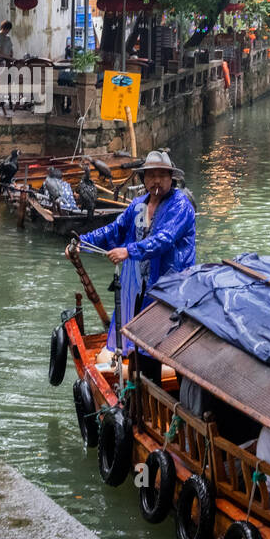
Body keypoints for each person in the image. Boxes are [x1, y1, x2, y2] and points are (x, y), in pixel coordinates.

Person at [83, 150, 197, 379]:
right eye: (151, 175)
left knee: (163, 346)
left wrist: (129, 250)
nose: (156, 180)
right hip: (139, 289)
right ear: (143, 179)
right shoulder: (138, 206)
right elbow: (114, 230)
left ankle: (166, 399)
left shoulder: (180, 206)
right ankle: (138, 396)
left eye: (162, 175)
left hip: (169, 289)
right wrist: (82, 241)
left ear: (171, 179)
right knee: (138, 345)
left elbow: (164, 240)